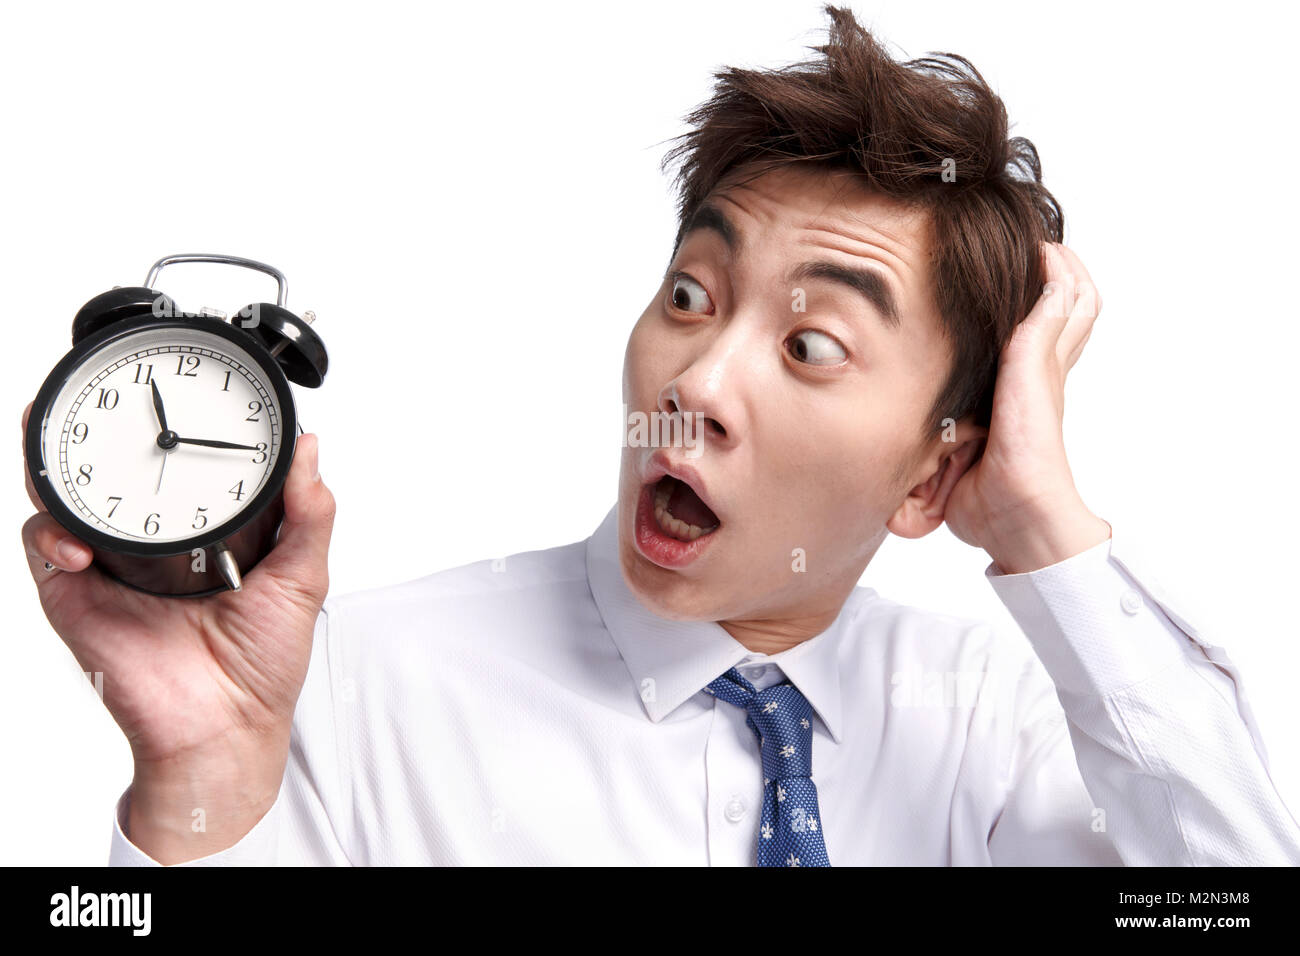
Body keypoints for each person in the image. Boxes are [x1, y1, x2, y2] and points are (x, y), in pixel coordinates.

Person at [21, 4, 1300, 865]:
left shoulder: (1006, 722)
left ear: (933, 473)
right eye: (690, 294)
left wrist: (1042, 524)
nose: (696, 376)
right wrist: (198, 788)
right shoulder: (346, 688)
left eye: (810, 347)